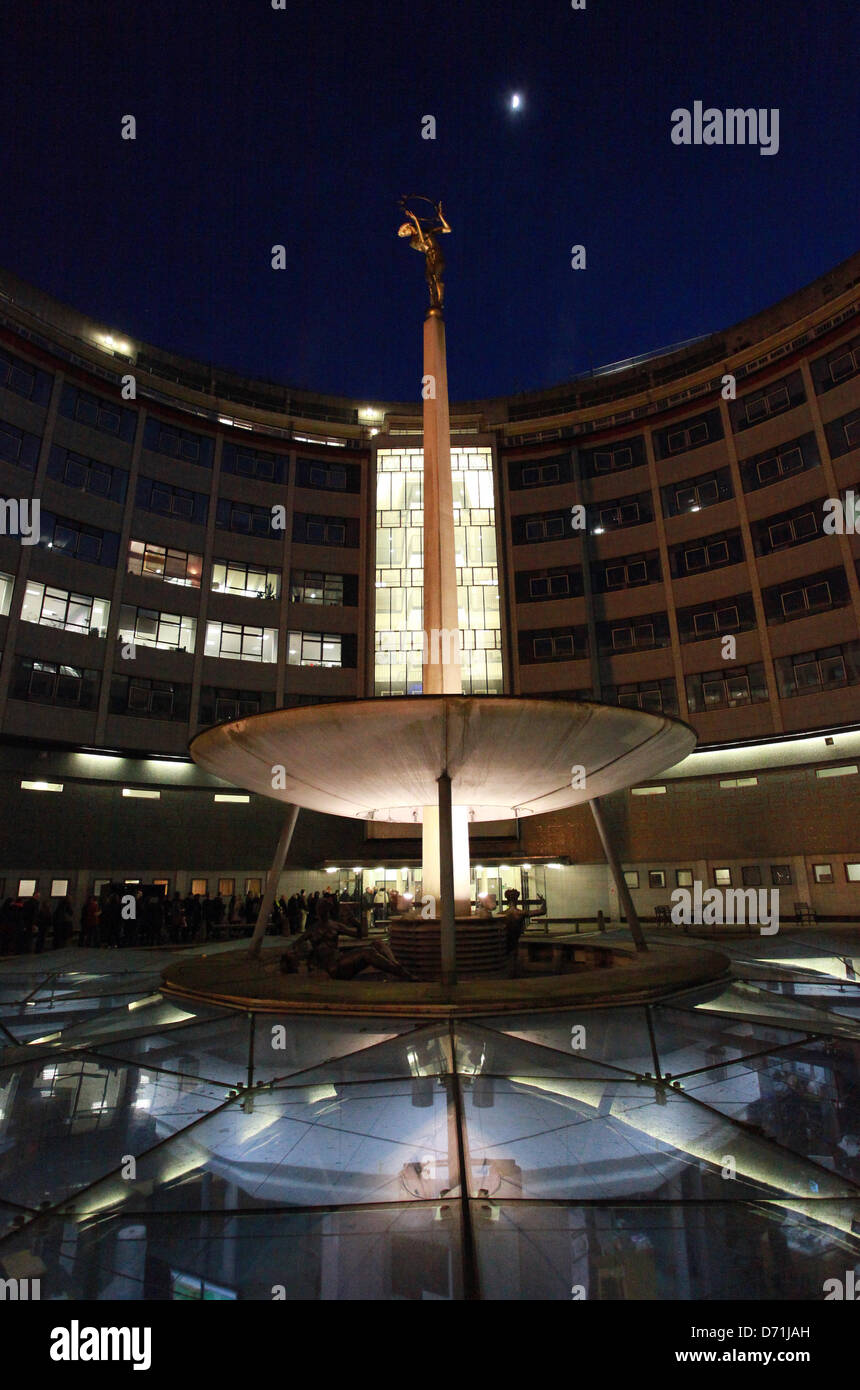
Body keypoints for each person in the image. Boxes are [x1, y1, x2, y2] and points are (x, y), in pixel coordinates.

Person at [280, 897, 414, 980]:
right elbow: (296, 944)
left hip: (340, 960)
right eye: (322, 909)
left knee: (377, 943)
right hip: (332, 966)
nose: (324, 912)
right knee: (368, 952)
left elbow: (360, 935)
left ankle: (397, 967)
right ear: (318, 911)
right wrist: (291, 956)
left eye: (325, 909)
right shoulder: (313, 929)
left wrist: (353, 921)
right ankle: (402, 973)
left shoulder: (335, 925)